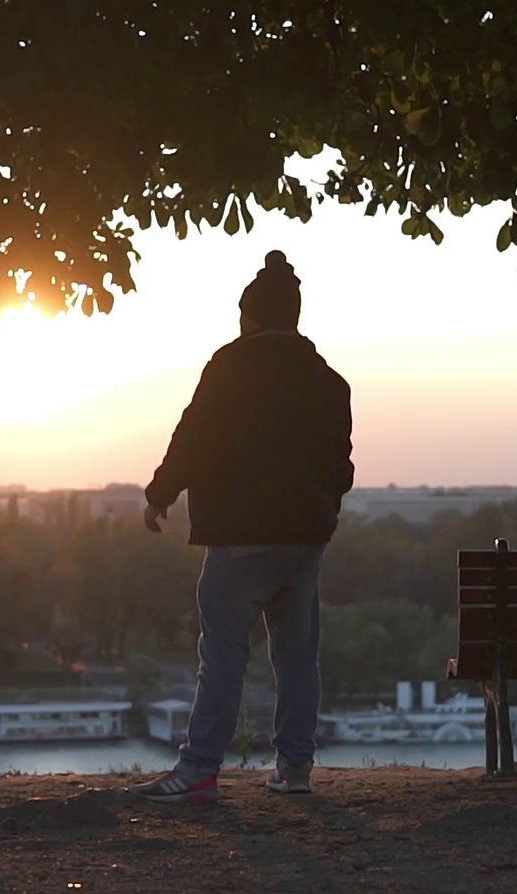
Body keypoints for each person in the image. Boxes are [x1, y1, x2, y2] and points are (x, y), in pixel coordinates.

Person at [130, 250, 354, 804]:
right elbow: (342, 468)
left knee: (225, 655)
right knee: (298, 656)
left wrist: (160, 494)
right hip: (305, 540)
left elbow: (193, 438)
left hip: (241, 536)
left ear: (250, 317)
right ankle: (295, 768)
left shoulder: (229, 367)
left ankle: (200, 769)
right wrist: (318, 509)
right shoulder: (330, 382)